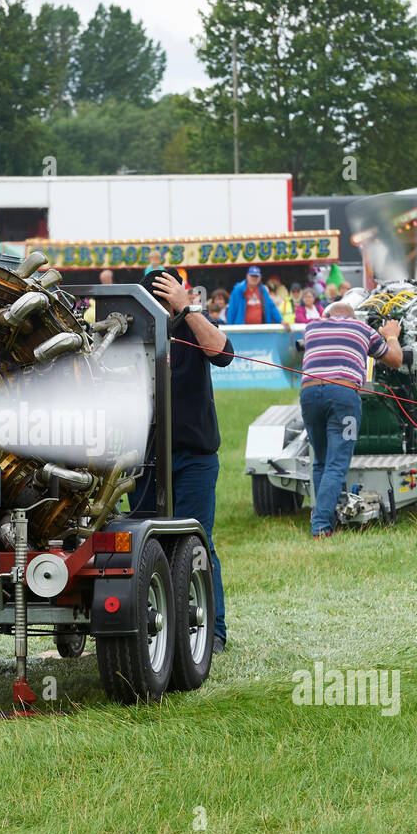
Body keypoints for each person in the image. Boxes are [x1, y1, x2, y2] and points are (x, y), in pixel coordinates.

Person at [130, 267, 234, 654]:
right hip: (142, 458)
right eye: (151, 301)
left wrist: (185, 308)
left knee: (196, 541)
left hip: (194, 455)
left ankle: (213, 630)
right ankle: (155, 627)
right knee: (143, 545)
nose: (159, 308)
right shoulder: (130, 332)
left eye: (164, 298)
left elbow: (222, 353)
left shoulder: (193, 324)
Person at [300, 301, 402, 538]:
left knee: (321, 462)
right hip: (344, 397)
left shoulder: (312, 326)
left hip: (309, 394)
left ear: (328, 315)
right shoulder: (362, 329)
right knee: (337, 462)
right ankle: (321, 527)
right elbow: (396, 360)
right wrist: (392, 336)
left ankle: (329, 517)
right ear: (352, 316)